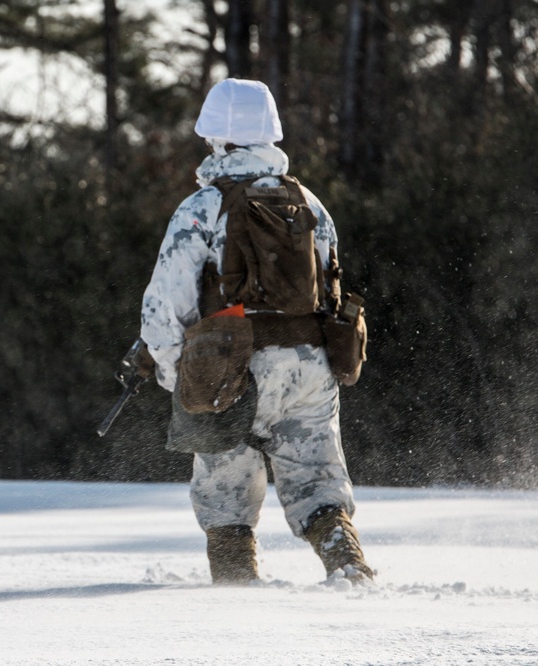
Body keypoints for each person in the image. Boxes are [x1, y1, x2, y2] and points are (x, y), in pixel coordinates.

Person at [139, 78, 373, 586]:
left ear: (215, 137)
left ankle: (237, 593)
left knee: (226, 495)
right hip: (310, 367)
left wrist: (178, 377)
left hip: (230, 369)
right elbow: (331, 287)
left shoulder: (201, 208)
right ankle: (351, 570)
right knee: (318, 485)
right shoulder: (310, 203)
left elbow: (164, 307)